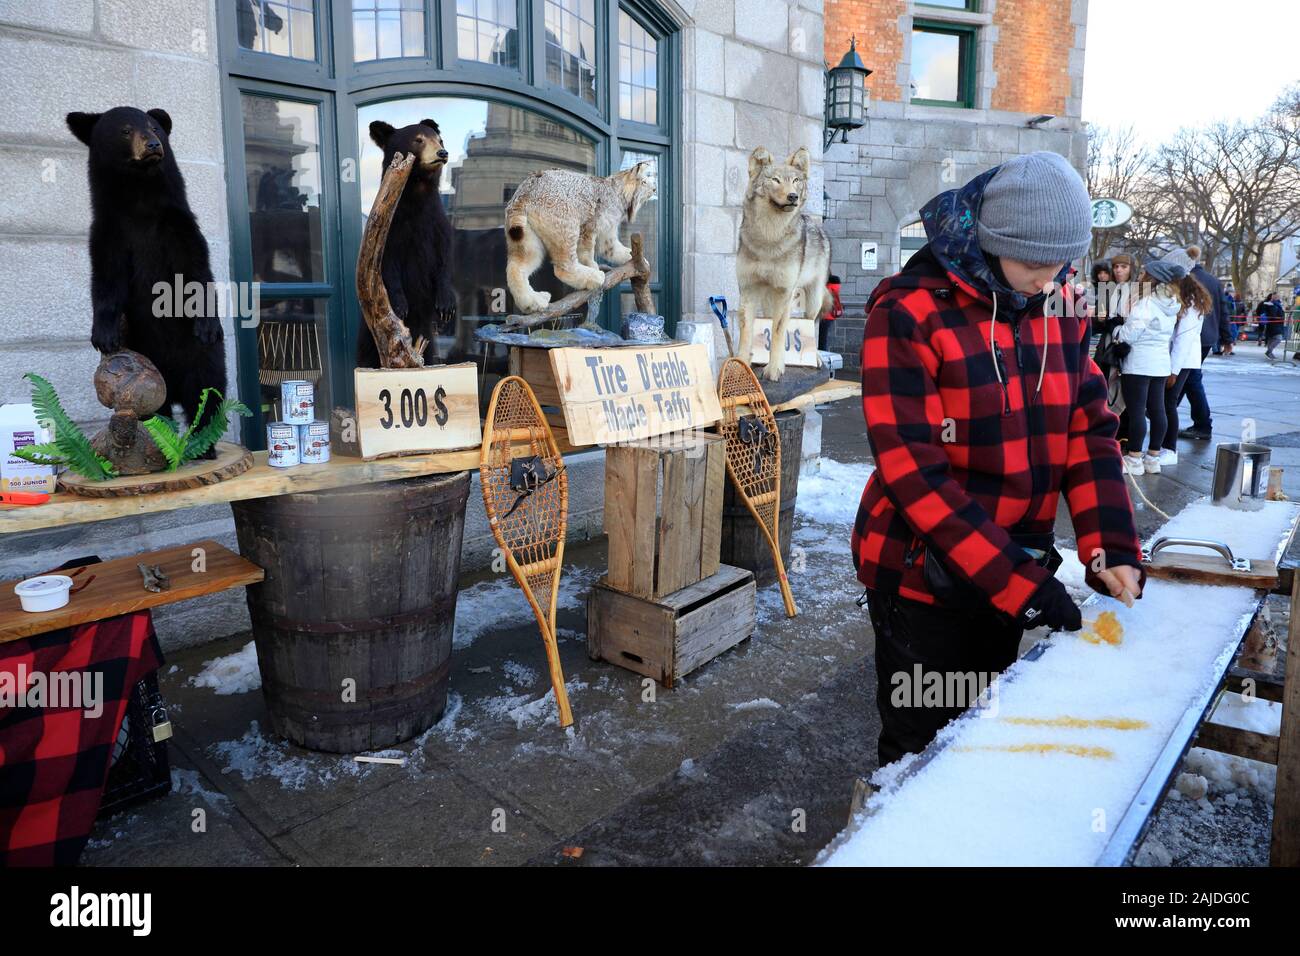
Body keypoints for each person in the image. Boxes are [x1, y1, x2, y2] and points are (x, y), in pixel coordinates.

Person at [854, 152, 1144, 765]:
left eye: (1060, 264)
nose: (1050, 281)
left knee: (981, 730)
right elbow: (913, 472)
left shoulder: (1062, 300)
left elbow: (1087, 429)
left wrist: (1109, 546)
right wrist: (1016, 582)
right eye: (1035, 264)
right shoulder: (907, 312)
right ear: (992, 243)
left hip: (1017, 560)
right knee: (923, 749)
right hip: (923, 574)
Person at [1156, 249, 1214, 465]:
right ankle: (1162, 446)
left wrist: (1173, 369)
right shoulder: (1180, 295)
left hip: (1181, 360)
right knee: (1164, 404)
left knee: (1167, 403)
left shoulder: (1190, 300)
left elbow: (1184, 338)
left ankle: (1168, 449)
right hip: (1175, 358)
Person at [1178, 247, 1233, 441]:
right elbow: (1223, 311)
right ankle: (1199, 422)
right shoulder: (1213, 281)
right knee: (1189, 377)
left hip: (1190, 334)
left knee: (1190, 378)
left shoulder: (1184, 278)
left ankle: (1202, 424)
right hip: (1207, 337)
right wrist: (1227, 339)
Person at [1257, 293, 1286, 357]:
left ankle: (1269, 352)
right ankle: (1269, 351)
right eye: (1276, 297)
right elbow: (1273, 314)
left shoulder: (1278, 304)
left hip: (1276, 324)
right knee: (1278, 338)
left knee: (1272, 338)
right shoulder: (1271, 304)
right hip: (1274, 324)